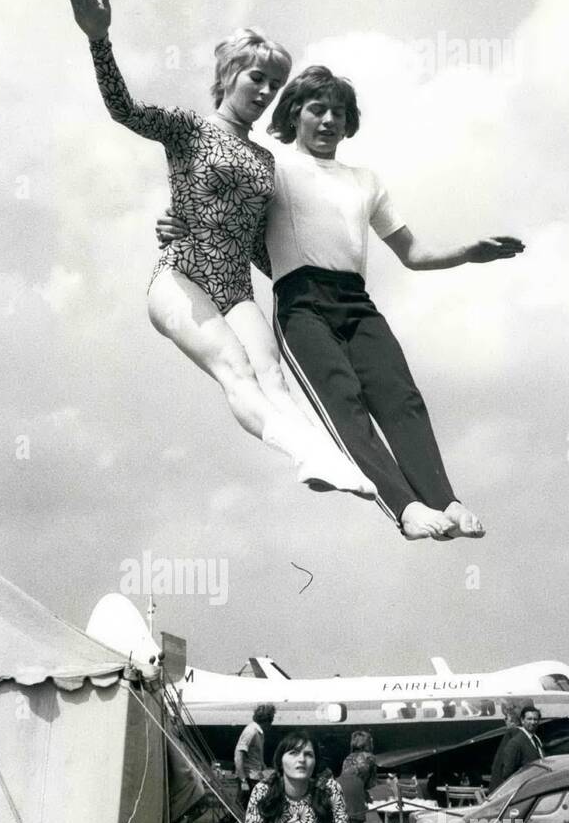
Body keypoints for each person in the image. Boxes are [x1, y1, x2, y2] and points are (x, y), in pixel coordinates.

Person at [159, 64, 525, 540]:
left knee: (402, 398)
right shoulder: (273, 167)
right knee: (344, 403)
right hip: (302, 304)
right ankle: (406, 509)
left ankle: (444, 498)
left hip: (357, 303)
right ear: (294, 114)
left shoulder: (365, 180)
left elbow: (412, 254)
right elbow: (221, 211)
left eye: (339, 111)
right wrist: (179, 224)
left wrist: (469, 254)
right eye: (317, 109)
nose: (329, 120)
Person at [67, 0, 374, 498]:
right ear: (230, 73)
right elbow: (125, 110)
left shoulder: (263, 160)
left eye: (275, 85)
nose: (266, 91)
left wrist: (328, 286)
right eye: (257, 77)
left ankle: (328, 462)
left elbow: (262, 247)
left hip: (235, 287)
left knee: (273, 375)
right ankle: (310, 453)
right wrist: (99, 39)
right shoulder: (190, 129)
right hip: (181, 274)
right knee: (235, 368)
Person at [244, 730, 348, 823]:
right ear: (280, 760)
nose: (301, 759)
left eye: (309, 754)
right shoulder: (263, 791)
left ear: (316, 762)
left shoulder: (330, 790)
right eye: (293, 753)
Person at [337, 730, 377, 823]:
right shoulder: (370, 758)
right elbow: (370, 783)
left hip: (339, 784)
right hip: (355, 786)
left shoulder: (348, 757)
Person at [488, 705, 544, 788]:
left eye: (535, 719)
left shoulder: (536, 740)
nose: (533, 722)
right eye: (529, 719)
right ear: (522, 720)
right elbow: (508, 773)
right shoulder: (516, 742)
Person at [234, 703, 275, 800]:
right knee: (244, 809)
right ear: (266, 720)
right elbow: (238, 756)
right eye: (271, 720)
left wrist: (265, 770)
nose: (271, 724)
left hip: (255, 777)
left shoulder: (258, 732)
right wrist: (243, 780)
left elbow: (257, 757)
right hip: (249, 779)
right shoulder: (251, 731)